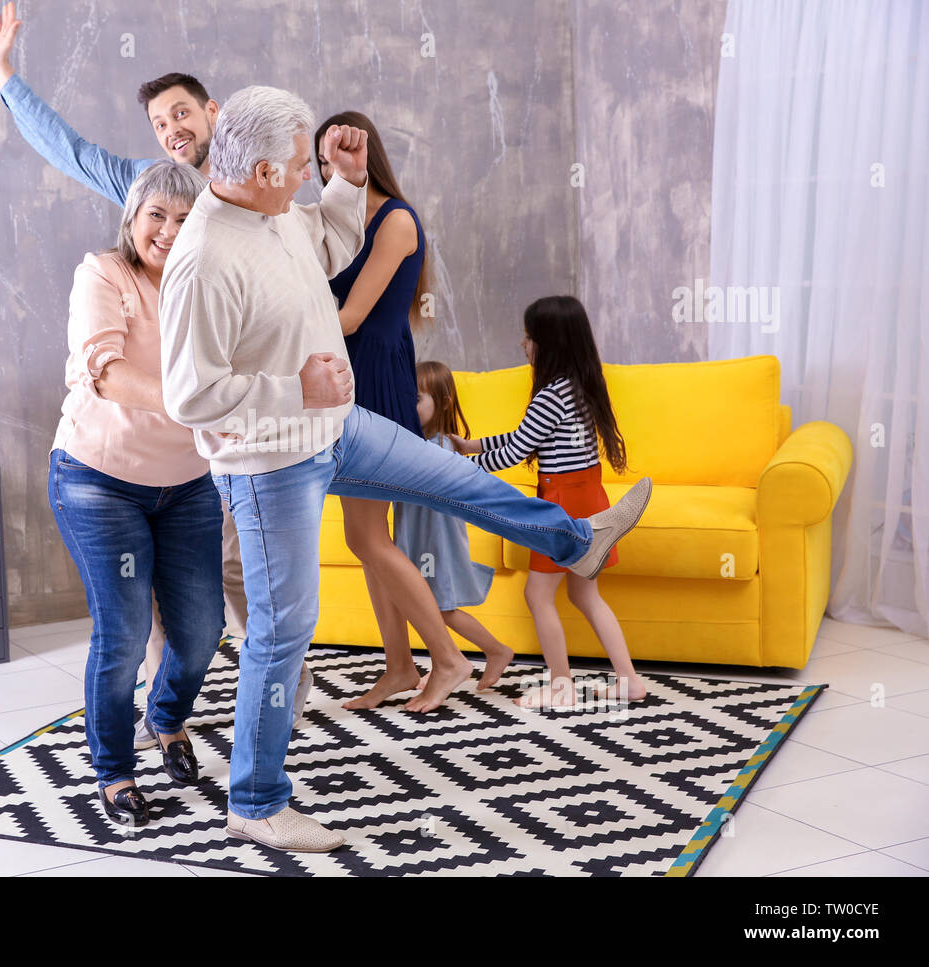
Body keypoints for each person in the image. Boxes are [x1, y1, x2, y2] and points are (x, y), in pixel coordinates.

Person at [158, 86, 653, 852]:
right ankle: (255, 801)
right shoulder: (203, 257)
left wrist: (348, 183)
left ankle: (572, 538)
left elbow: (327, 242)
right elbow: (191, 395)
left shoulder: (276, 210)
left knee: (455, 479)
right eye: (297, 166)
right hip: (268, 464)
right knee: (284, 630)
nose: (305, 175)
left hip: (333, 426)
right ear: (257, 171)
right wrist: (297, 388)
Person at [0, 2, 316, 735]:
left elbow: (293, 272)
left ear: (211, 113)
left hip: (238, 427)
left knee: (240, 573)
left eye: (180, 116)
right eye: (160, 126)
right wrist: (5, 76)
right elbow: (65, 147)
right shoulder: (148, 194)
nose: (171, 133)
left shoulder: (252, 188)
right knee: (164, 601)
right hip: (172, 437)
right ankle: (170, 722)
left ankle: (280, 688)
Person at [47, 161, 223, 829]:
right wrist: (196, 404)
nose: (170, 231)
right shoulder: (103, 274)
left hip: (185, 483)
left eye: (185, 219)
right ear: (132, 218)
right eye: (158, 215)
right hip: (98, 480)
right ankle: (115, 771)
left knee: (204, 628)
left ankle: (167, 717)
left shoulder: (205, 286)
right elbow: (108, 372)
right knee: (122, 632)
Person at [313, 110, 475, 713]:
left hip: (375, 381)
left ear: (364, 153)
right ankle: (400, 667)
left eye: (339, 155)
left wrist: (272, 335)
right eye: (323, 161)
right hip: (348, 378)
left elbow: (351, 318)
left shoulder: (396, 220)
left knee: (367, 536)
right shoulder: (341, 220)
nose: (330, 171)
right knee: (364, 535)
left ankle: (449, 660)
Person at [450, 296, 648, 708]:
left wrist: (462, 469)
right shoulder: (579, 388)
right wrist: (472, 446)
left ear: (548, 344)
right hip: (589, 497)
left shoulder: (550, 396)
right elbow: (525, 438)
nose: (523, 345)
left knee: (538, 596)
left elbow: (517, 449)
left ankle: (562, 687)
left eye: (528, 338)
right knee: (585, 596)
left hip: (562, 504)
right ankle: (629, 680)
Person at [391, 362, 516, 692]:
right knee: (426, 604)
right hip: (418, 533)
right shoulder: (419, 441)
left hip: (436, 537)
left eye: (416, 399)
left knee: (438, 607)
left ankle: (495, 650)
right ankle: (443, 663)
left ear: (443, 403)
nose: (408, 406)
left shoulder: (441, 448)